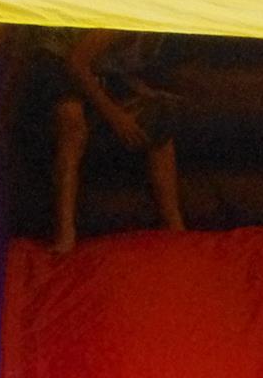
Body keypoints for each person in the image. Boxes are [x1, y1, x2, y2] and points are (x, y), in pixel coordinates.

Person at [52, 29, 186, 254]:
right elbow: (76, 62)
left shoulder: (161, 33)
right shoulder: (123, 23)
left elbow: (113, 68)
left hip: (96, 75)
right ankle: (65, 231)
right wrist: (115, 116)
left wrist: (144, 92)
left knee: (159, 119)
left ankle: (174, 223)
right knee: (73, 124)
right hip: (58, 64)